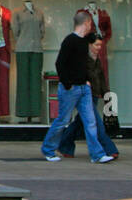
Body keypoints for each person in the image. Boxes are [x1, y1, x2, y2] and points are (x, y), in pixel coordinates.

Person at [41, 12, 114, 163]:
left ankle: (97, 154)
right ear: (86, 23)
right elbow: (60, 63)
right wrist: (67, 83)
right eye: (89, 24)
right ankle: (48, 149)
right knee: (62, 119)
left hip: (83, 88)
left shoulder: (83, 42)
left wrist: (86, 80)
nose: (90, 27)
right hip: (71, 88)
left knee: (90, 121)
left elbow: (83, 64)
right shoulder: (69, 41)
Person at [57, 38, 120, 160]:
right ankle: (109, 149)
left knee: (79, 123)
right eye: (96, 45)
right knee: (96, 123)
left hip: (94, 95)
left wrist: (106, 95)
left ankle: (64, 145)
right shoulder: (82, 59)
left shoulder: (97, 60)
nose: (99, 48)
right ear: (89, 45)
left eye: (100, 45)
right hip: (85, 95)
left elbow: (101, 79)